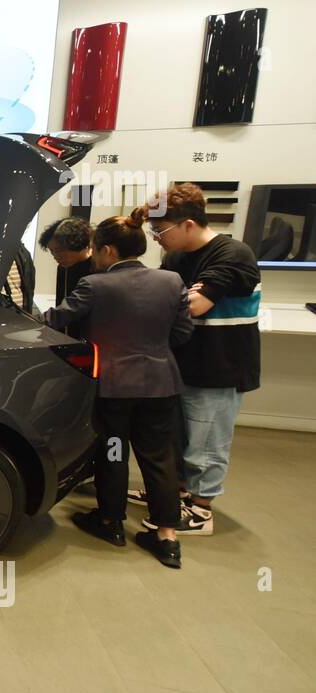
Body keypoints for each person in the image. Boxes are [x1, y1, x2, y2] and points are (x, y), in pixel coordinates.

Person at [45, 209, 193, 569]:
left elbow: (55, 320)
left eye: (96, 250)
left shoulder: (94, 285)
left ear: (108, 251)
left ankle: (110, 522)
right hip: (161, 383)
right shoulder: (172, 281)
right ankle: (166, 538)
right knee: (160, 458)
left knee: (113, 452)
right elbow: (183, 333)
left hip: (113, 386)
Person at [129, 183, 261, 537]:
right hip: (179, 363)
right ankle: (174, 494)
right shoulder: (175, 259)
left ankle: (201, 510)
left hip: (221, 366)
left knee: (206, 442)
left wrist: (173, 299)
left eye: (160, 230)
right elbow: (179, 301)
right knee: (177, 437)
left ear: (188, 223)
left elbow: (194, 305)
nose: (156, 238)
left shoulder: (233, 255)